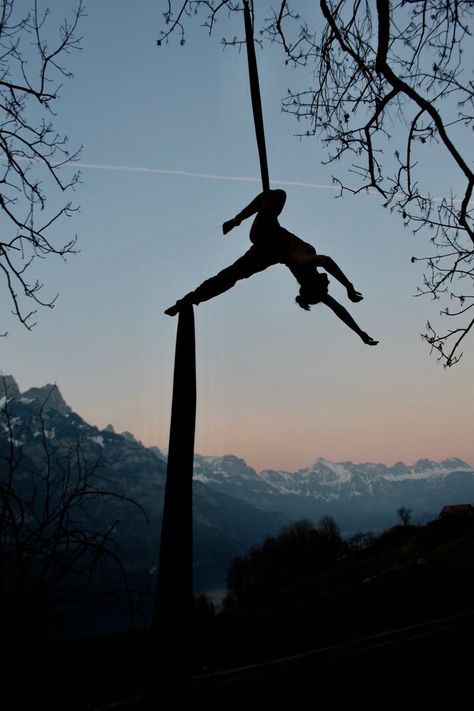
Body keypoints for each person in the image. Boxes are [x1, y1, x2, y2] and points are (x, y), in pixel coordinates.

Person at [165, 189, 378, 346]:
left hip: (266, 237)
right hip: (268, 252)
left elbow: (326, 260)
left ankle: (237, 220)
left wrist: (348, 286)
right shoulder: (308, 279)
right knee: (228, 277)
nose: (329, 286)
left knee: (277, 195)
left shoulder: (304, 262)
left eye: (327, 288)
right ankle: (186, 301)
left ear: (316, 285)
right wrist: (359, 333)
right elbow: (338, 310)